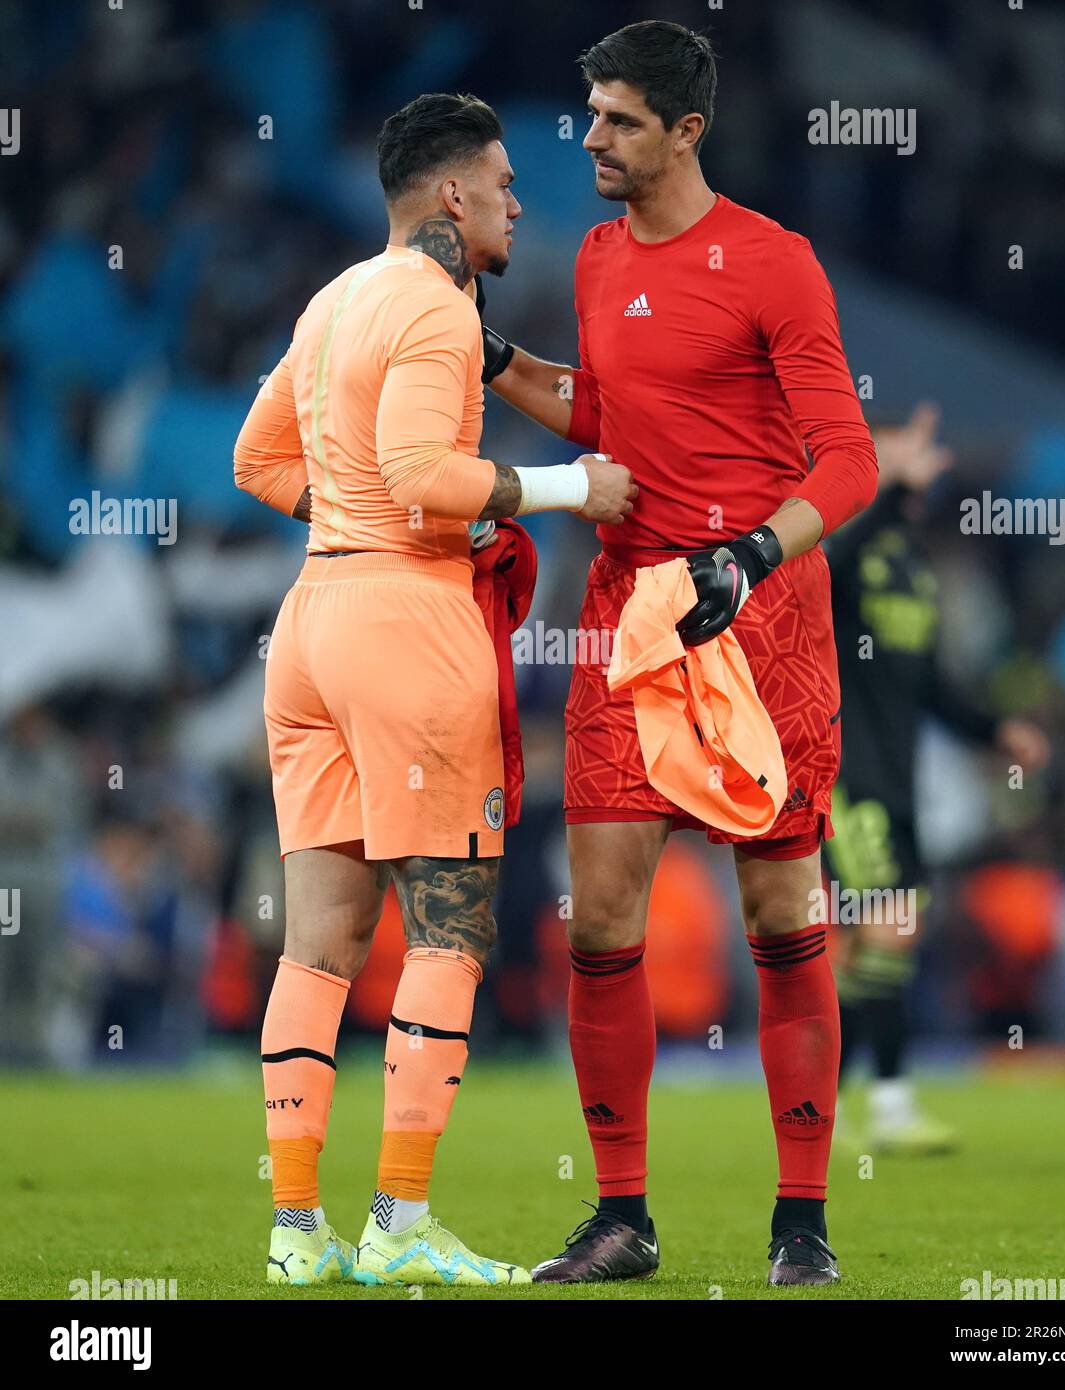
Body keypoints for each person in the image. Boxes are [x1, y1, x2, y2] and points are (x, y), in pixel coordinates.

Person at [477, 22, 877, 1285]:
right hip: (629, 612)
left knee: (778, 912)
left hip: (760, 609)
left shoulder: (775, 263)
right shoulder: (595, 258)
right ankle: (622, 1218)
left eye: (616, 119)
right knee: (596, 919)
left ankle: (800, 1221)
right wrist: (488, 360)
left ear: (685, 131)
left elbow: (848, 459)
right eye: (589, 114)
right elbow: (605, 418)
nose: (588, 138)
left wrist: (753, 555)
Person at [233, 91, 634, 1288]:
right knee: (450, 928)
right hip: (410, 620)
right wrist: (571, 492)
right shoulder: (435, 306)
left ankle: (294, 1232)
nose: (520, 200)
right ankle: (399, 1219)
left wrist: (352, 521)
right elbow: (421, 470)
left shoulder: (335, 298)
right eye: (506, 182)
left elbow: (258, 461)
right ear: (450, 194)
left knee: (317, 946)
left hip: (310, 623)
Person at [823, 404, 1050, 1153]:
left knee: (868, 946)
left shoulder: (912, 567)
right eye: (897, 451)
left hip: (898, 777)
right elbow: (823, 575)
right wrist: (881, 487)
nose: (919, 465)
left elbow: (929, 682)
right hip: (843, 772)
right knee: (884, 928)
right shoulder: (833, 547)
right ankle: (882, 1109)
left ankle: (826, 1106)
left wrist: (995, 729)